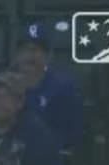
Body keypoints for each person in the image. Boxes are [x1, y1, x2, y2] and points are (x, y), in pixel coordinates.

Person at [12, 24, 85, 154]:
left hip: (47, 158)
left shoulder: (63, 88)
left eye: (37, 50)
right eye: (26, 50)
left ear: (48, 56)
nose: (31, 55)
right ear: (17, 55)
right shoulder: (2, 85)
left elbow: (71, 135)